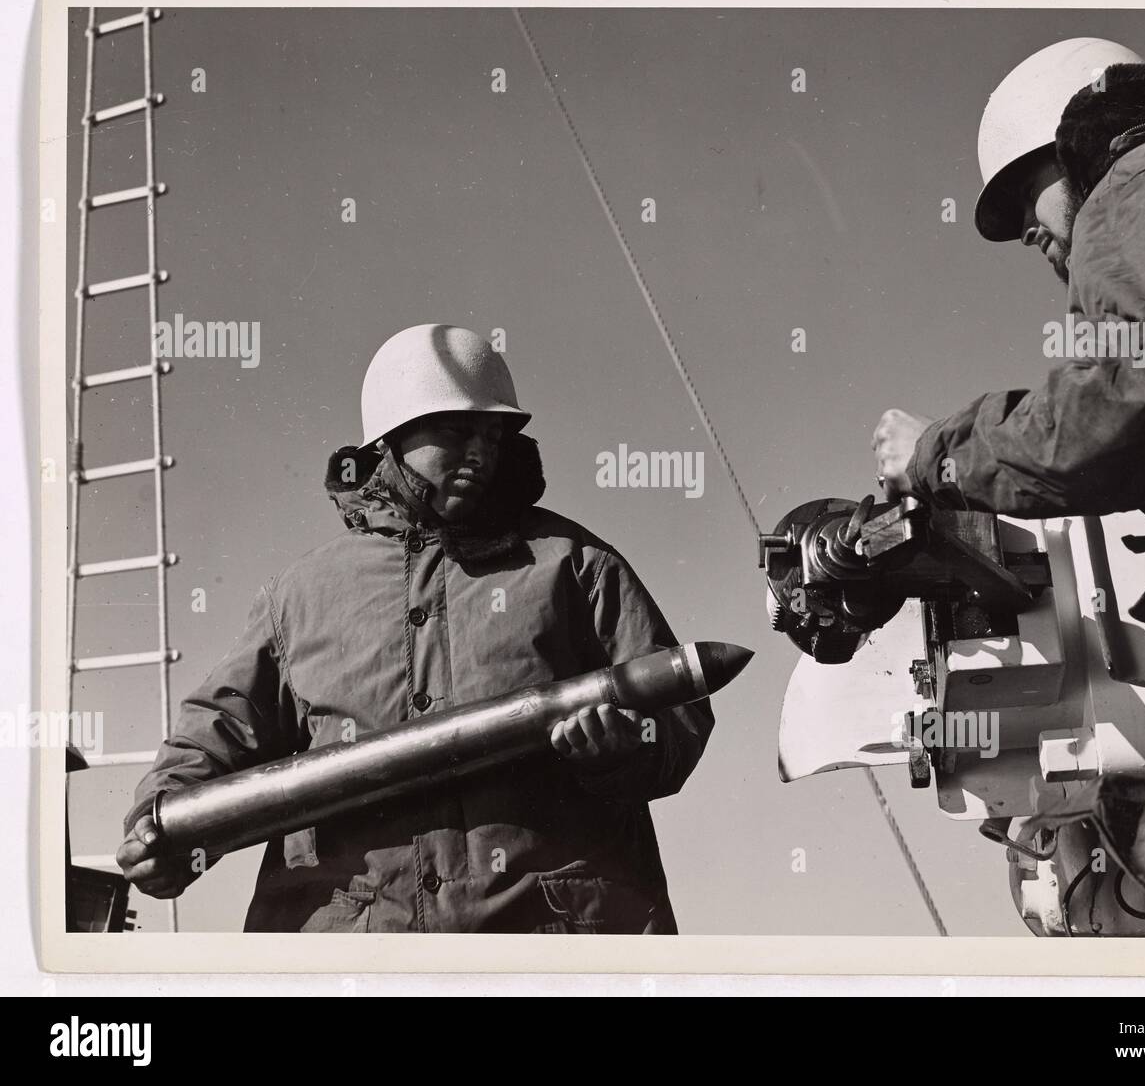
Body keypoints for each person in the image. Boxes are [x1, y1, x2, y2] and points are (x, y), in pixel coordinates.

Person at [117, 323, 713, 933]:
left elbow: (678, 715)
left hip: (544, 950)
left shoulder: (576, 566)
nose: (480, 453)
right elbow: (214, 734)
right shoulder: (299, 596)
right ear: (391, 438)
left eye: (492, 435)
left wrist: (624, 747)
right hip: (355, 957)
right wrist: (159, 823)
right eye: (456, 432)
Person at [870, 39, 1145, 936]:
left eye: (1021, 196)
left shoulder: (1140, 185)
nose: (1028, 234)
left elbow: (1122, 401)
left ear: (1070, 141)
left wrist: (936, 452)